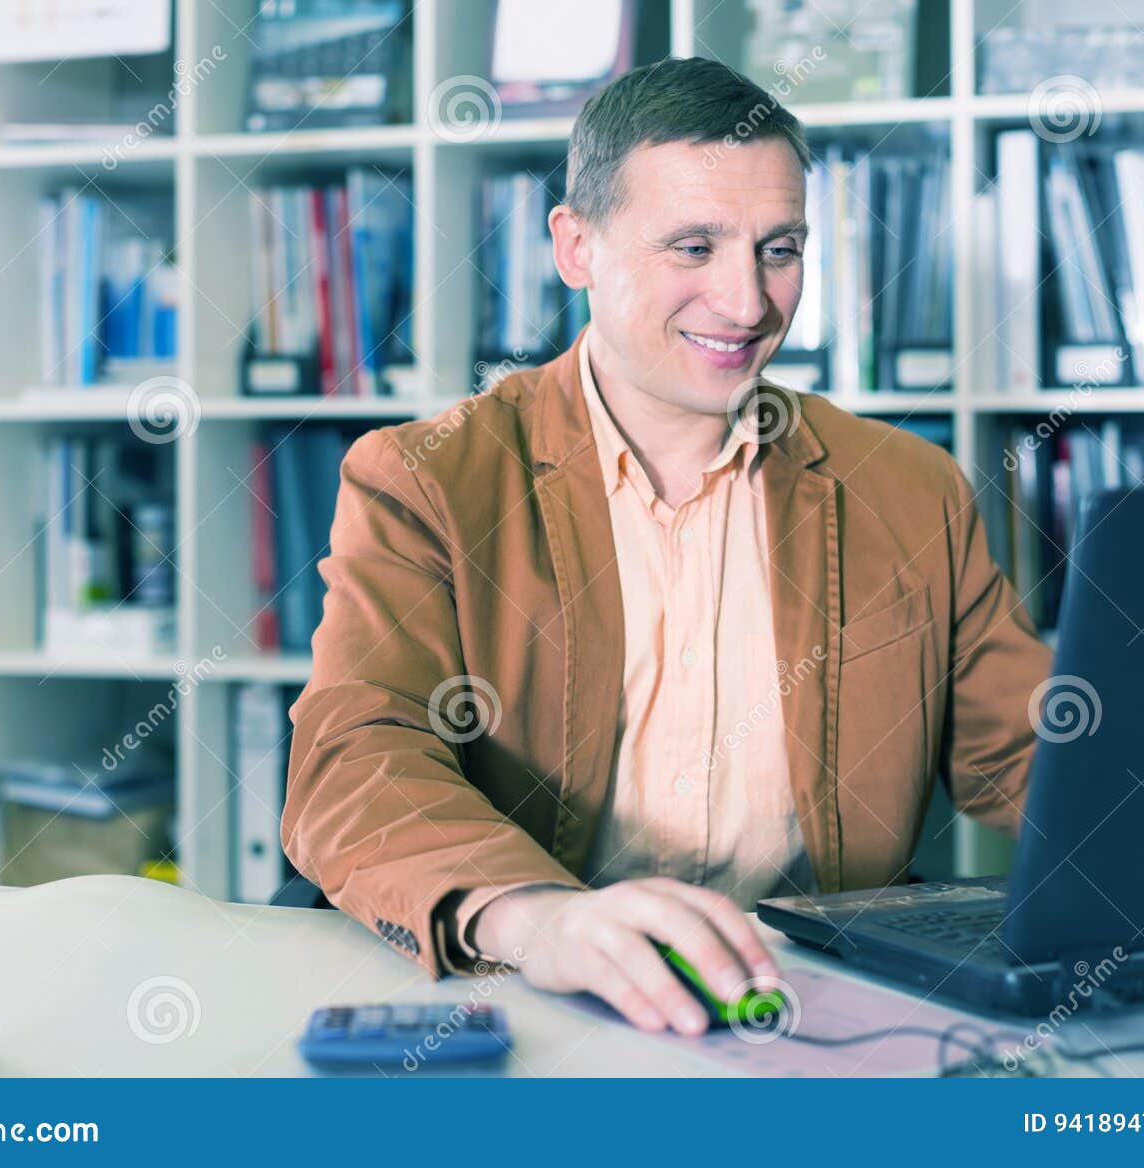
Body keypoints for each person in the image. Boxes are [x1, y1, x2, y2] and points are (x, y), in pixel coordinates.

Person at [282, 56, 1052, 1038]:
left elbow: (1034, 754)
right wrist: (537, 916)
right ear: (576, 246)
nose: (746, 302)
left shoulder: (908, 488)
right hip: (532, 993)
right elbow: (353, 753)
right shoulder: (428, 476)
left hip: (810, 1010)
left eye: (779, 249)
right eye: (693, 247)